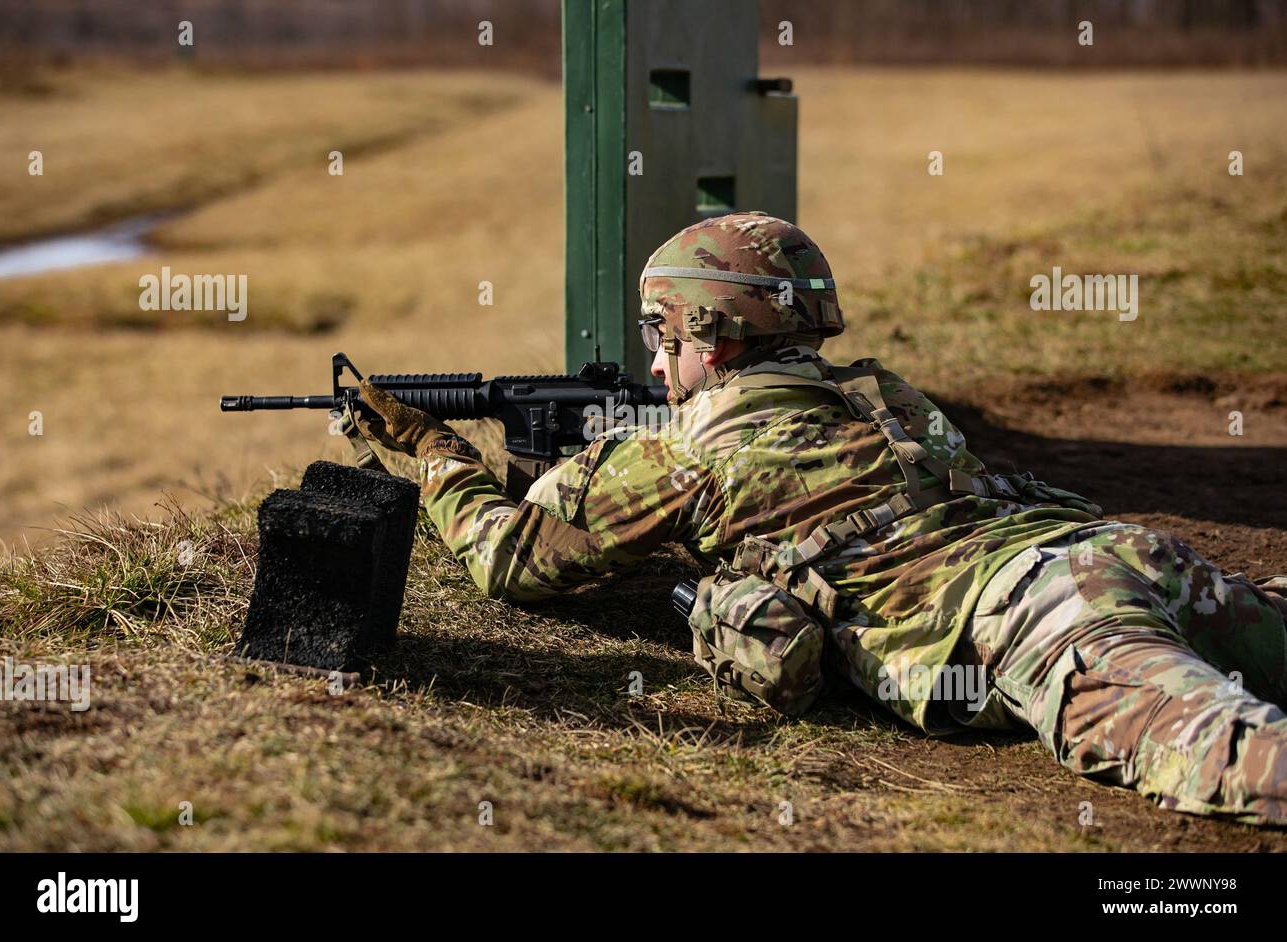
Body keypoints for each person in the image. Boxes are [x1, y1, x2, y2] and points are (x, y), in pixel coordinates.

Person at [346, 211, 1287, 826]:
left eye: (662, 338)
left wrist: (435, 453)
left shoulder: (686, 461)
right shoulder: (886, 398)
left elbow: (510, 559)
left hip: (1040, 618)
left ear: (708, 340)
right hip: (1120, 555)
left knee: (1236, 756)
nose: (658, 364)